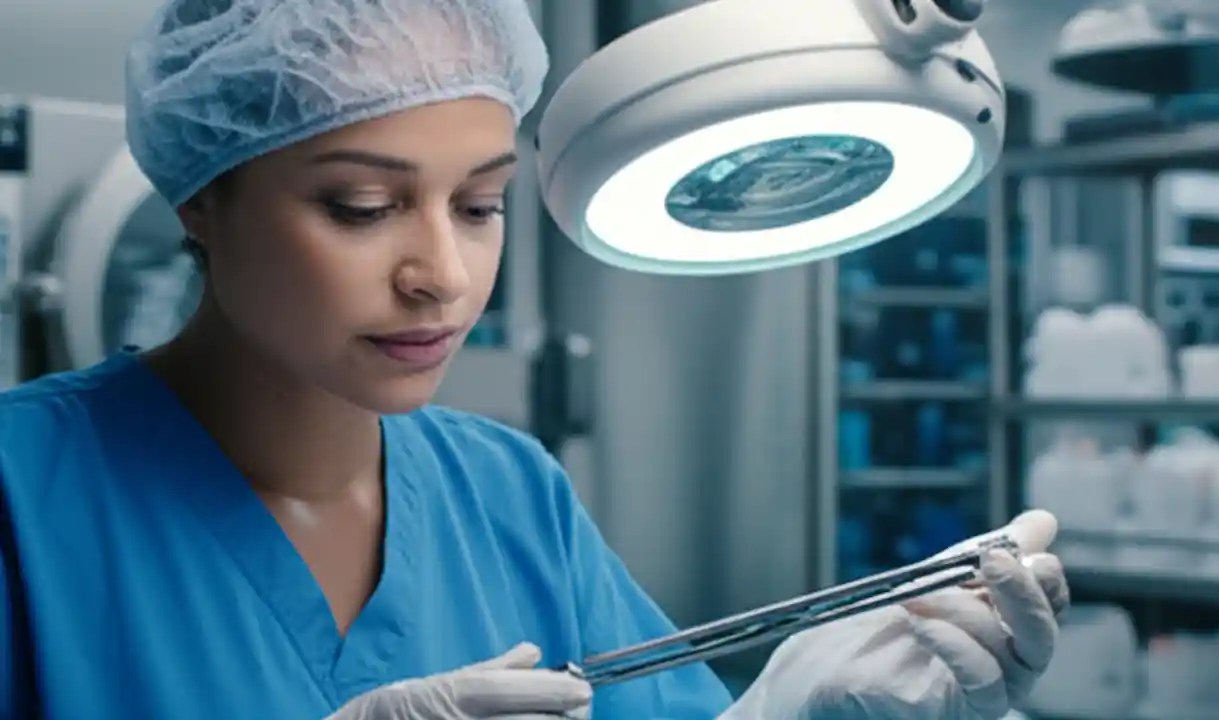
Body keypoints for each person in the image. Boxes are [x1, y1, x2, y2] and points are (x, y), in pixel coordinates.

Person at [0, 1, 1069, 718]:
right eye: (362, 206)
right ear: (198, 199)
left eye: (480, 204)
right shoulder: (23, 495)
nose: (443, 275)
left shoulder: (505, 494)